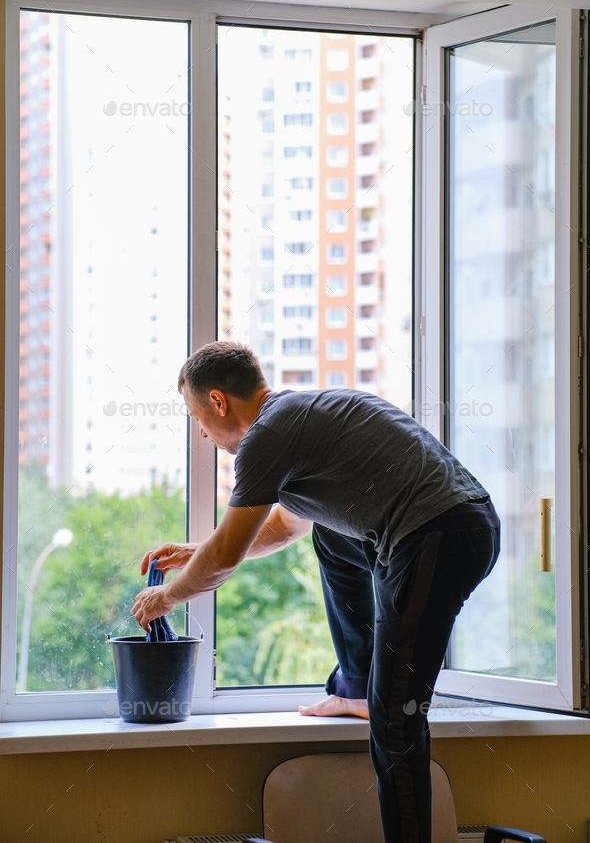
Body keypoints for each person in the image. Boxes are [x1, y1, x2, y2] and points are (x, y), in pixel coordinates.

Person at [132, 341, 500, 843]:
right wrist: (196, 550)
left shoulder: (268, 435)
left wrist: (166, 596)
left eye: (195, 415)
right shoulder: (296, 420)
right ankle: (356, 687)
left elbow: (224, 560)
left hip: (440, 534)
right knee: (331, 535)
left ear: (218, 402)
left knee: (397, 721)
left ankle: (375, 703)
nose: (199, 430)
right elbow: (285, 528)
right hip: (447, 530)